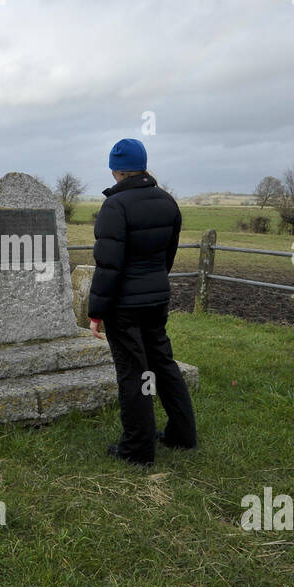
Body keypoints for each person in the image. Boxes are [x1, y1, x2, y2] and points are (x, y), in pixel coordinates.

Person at [87, 138, 197, 466]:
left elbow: (109, 265)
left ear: (115, 169)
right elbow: (168, 256)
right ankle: (182, 434)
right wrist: (154, 286)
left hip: (124, 305)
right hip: (156, 298)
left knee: (133, 373)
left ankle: (137, 449)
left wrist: (96, 312)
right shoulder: (167, 202)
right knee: (163, 364)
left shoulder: (115, 207)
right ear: (143, 166)